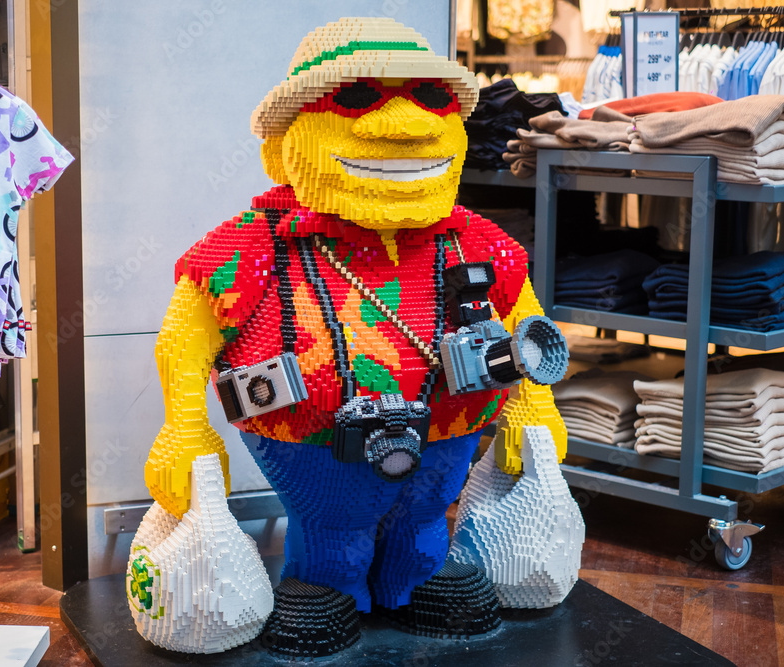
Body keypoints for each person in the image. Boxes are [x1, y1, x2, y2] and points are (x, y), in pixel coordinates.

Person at [144, 17, 567, 657]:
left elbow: (523, 316)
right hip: (314, 442)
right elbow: (189, 328)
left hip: (450, 431)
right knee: (333, 531)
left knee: (426, 520)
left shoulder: (476, 240)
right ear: (282, 148)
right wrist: (184, 425)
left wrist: (533, 400)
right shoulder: (256, 244)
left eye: (431, 98)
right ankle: (327, 583)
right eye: (356, 97)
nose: (405, 124)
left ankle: (414, 575)